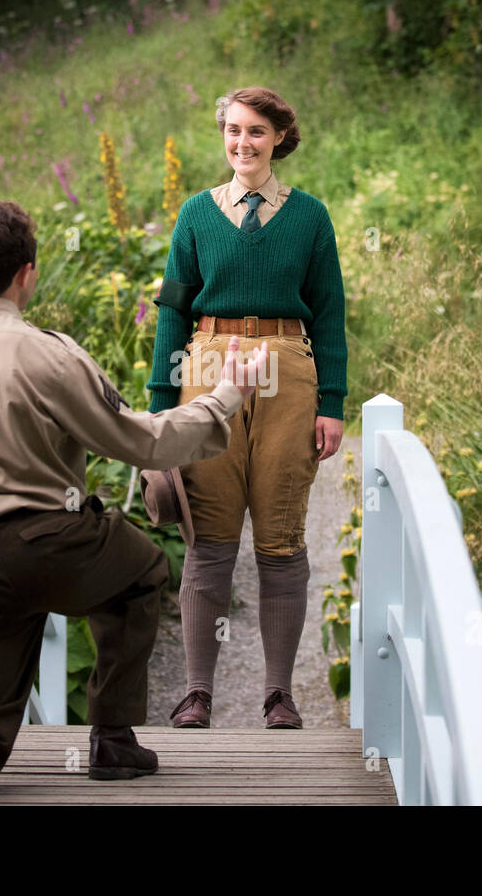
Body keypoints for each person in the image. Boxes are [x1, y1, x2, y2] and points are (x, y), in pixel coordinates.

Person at [0, 198, 269, 805]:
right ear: (26, 273)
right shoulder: (50, 354)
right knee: (143, 573)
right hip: (52, 546)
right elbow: (140, 442)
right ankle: (114, 742)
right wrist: (224, 398)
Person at [147, 86, 347, 729]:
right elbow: (173, 311)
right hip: (206, 369)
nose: (243, 143)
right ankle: (197, 693)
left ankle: (278, 694)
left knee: (281, 540)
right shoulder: (195, 215)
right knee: (209, 540)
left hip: (289, 370)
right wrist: (159, 407)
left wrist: (333, 402)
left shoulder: (311, 217)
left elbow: (333, 314)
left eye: (256, 132)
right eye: (233, 130)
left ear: (279, 138)